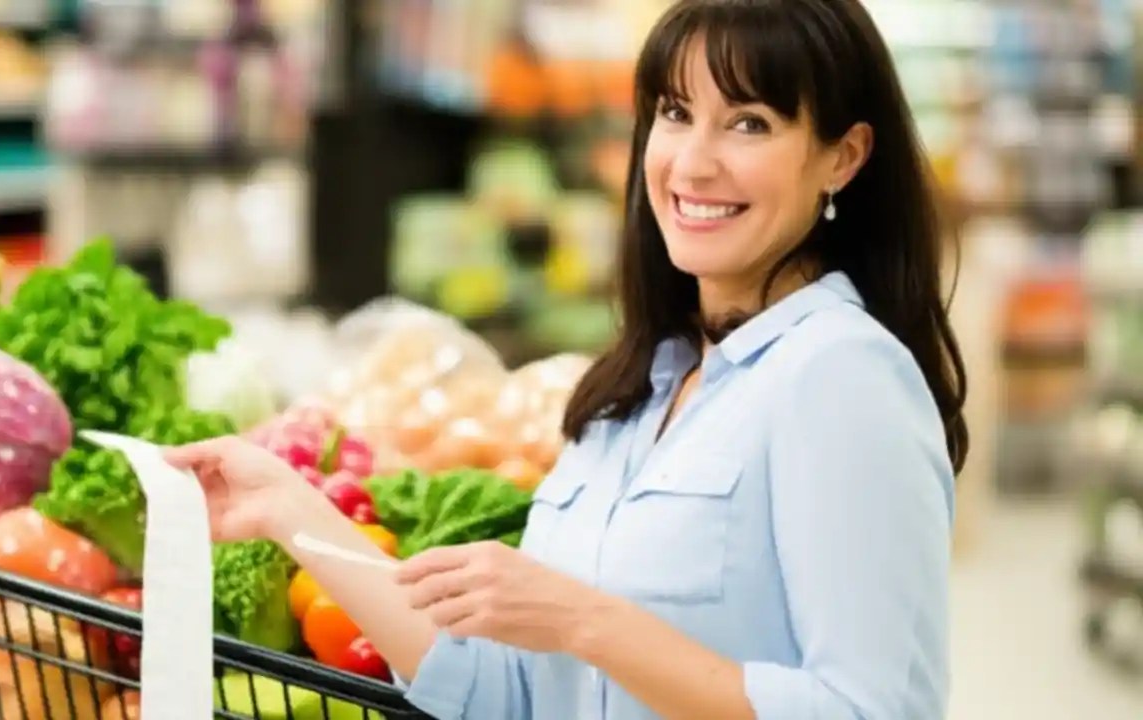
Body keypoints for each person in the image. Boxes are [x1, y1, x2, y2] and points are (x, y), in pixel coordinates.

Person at [166, 0, 969, 718]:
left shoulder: (843, 379)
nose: (692, 162)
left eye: (749, 122)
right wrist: (289, 513)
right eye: (676, 112)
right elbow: (501, 694)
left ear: (843, 157)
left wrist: (586, 622)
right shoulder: (637, 391)